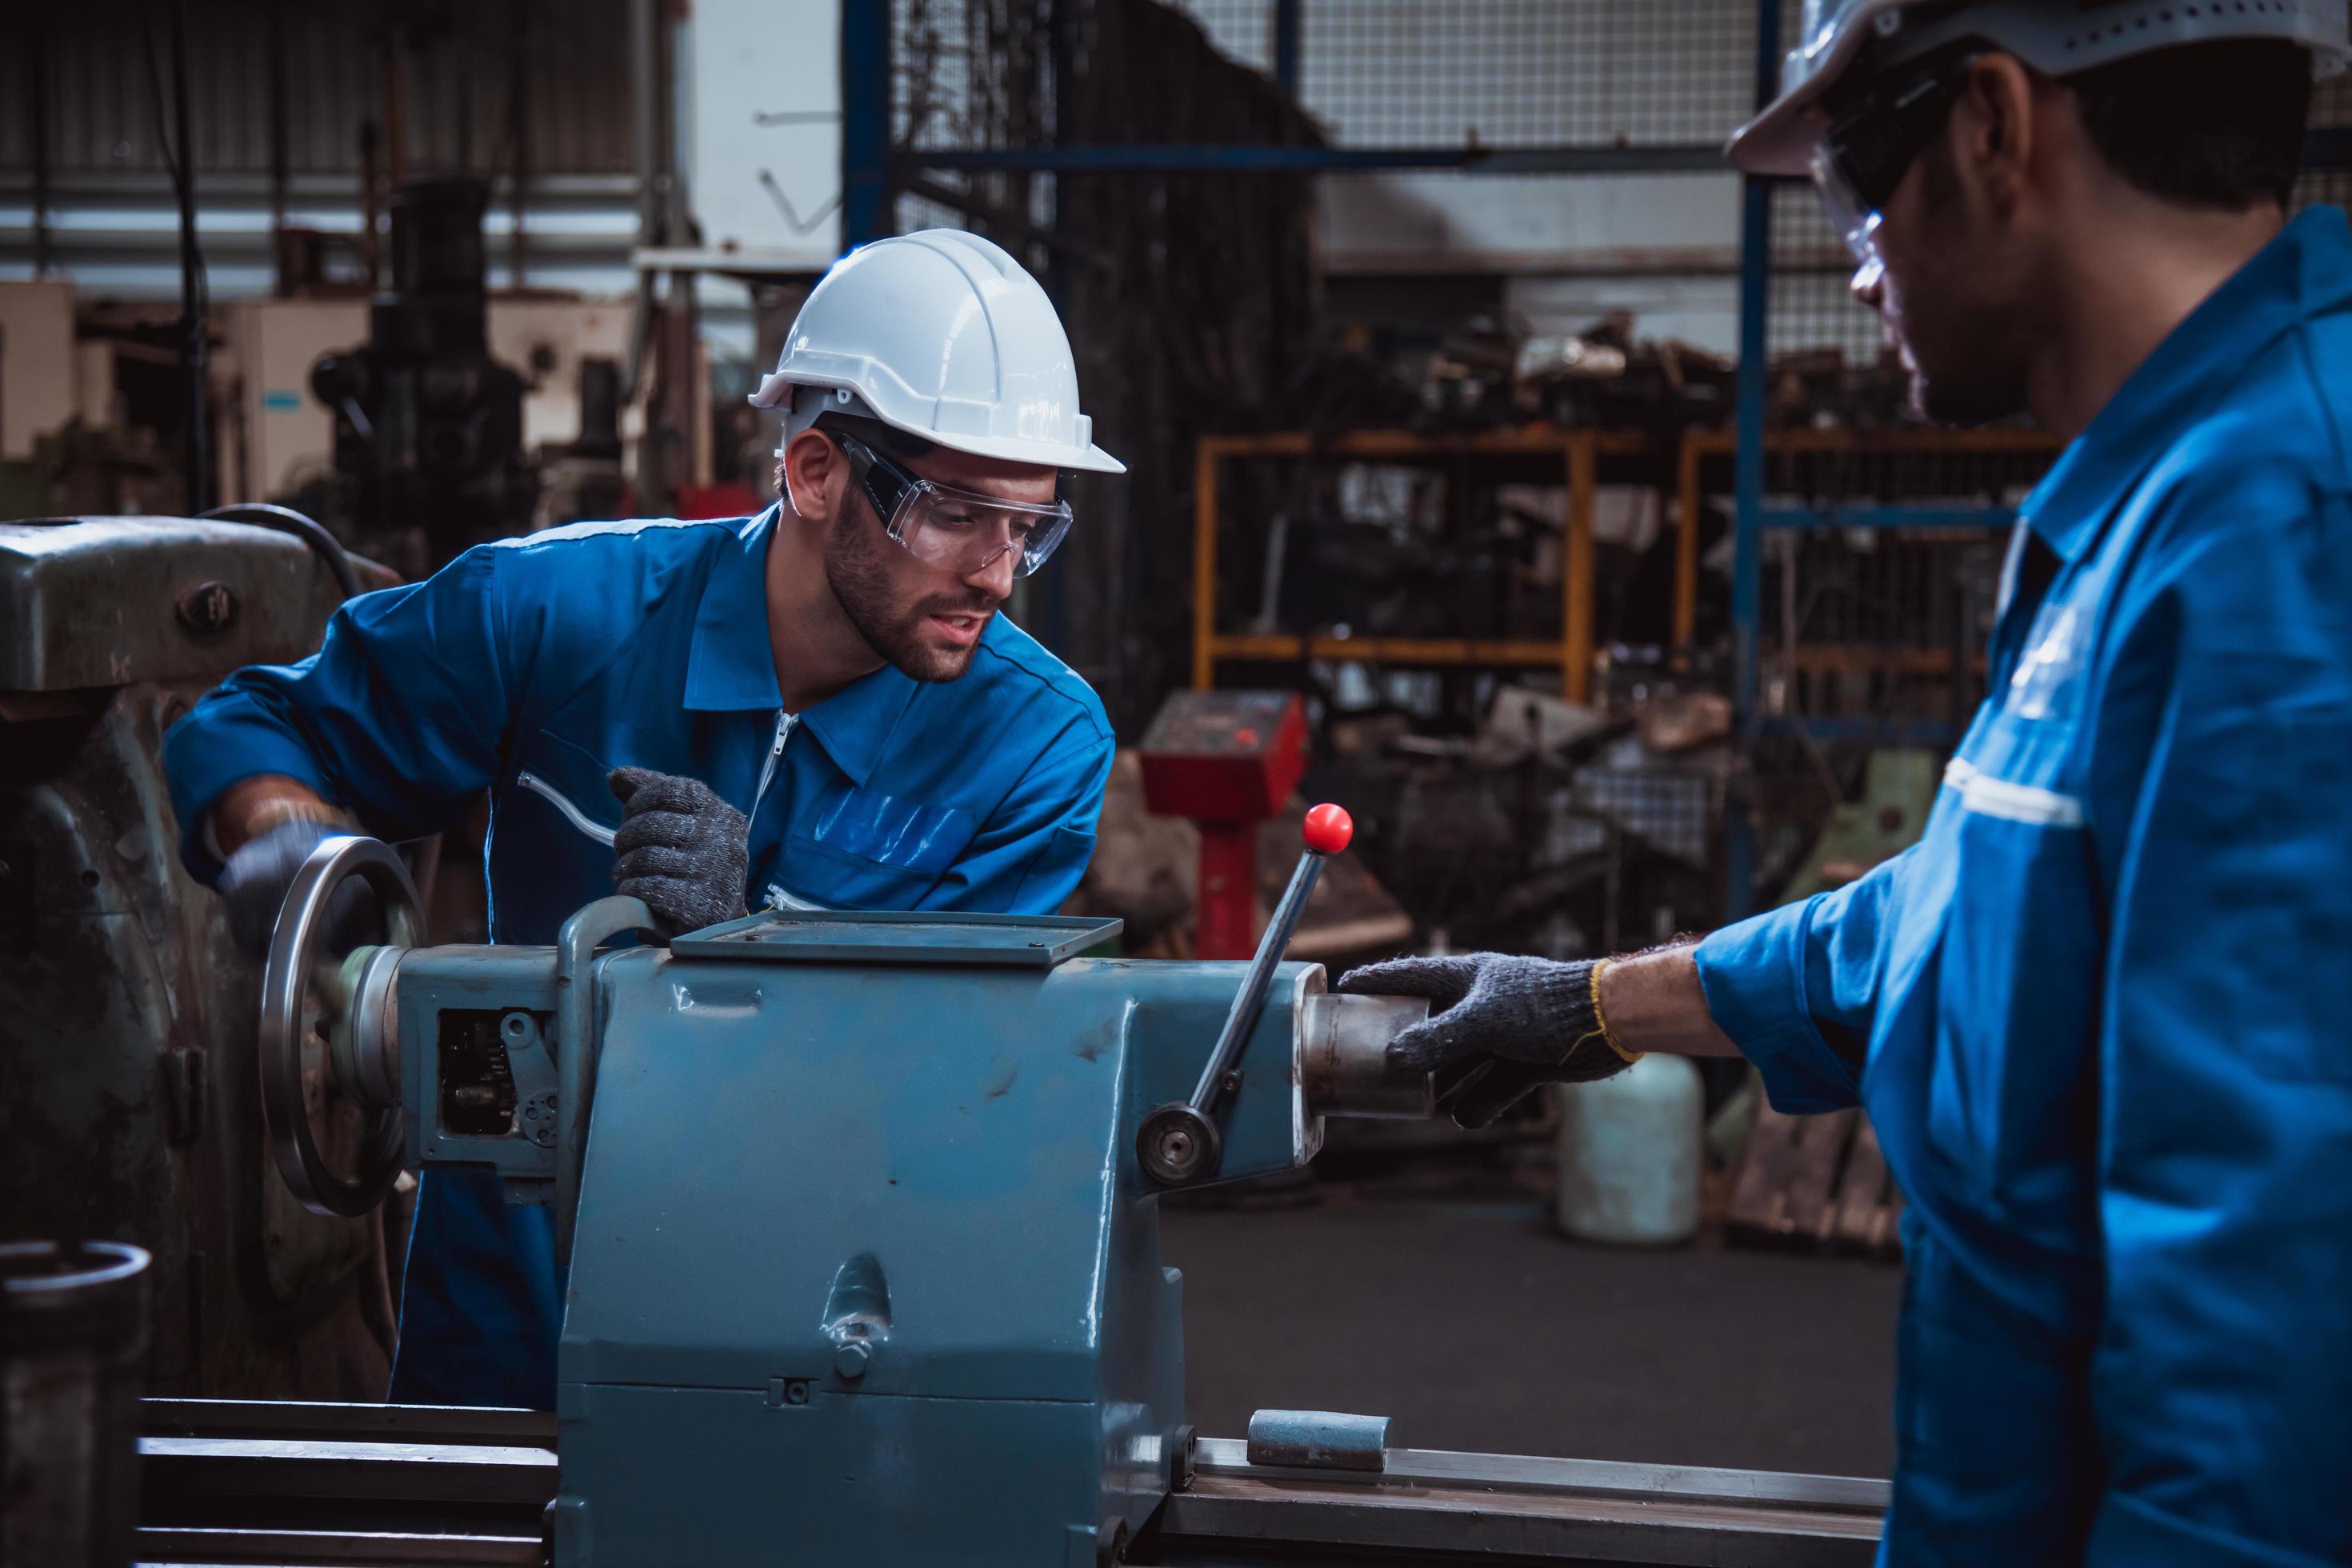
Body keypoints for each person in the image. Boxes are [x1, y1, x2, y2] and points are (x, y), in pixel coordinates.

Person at [1340, 3, 2352, 1562]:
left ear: (1998, 127)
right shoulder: (2162, 499)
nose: (1864, 265)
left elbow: (2272, 1324)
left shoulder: (2289, 523)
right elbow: (1966, 927)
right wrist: (1588, 1002)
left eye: (1855, 196)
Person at [164, 229, 1123, 1408]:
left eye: (1030, 527)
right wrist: (288, 837)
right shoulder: (559, 615)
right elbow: (256, 722)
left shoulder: (1035, 744)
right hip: (509, 1322)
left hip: (818, 1347)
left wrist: (750, 947)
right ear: (815, 473)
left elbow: (947, 1086)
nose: (997, 573)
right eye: (956, 515)